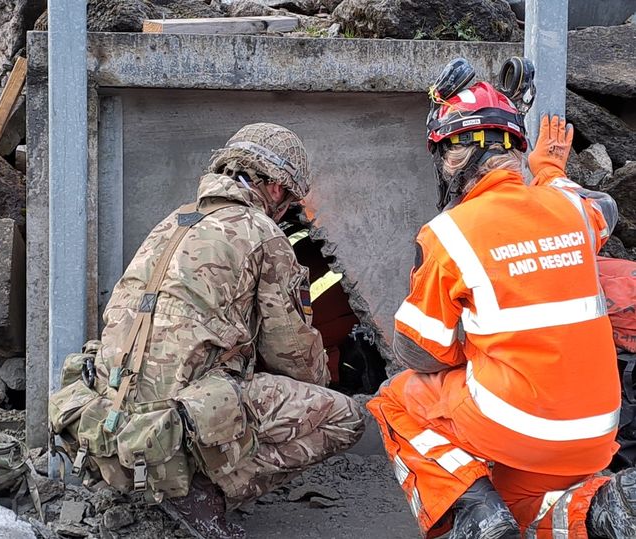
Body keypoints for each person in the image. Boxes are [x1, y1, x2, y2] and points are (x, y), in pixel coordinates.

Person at [366, 73, 635, 538]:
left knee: (396, 398)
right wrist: (549, 170)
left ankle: (473, 513)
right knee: (521, 509)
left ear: (450, 159)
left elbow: (418, 353)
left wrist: (475, 350)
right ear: (516, 152)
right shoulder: (568, 207)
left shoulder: (449, 233)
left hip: (514, 424)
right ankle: (599, 509)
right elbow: (604, 208)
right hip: (595, 432)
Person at [96, 123, 364, 538]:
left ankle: (166, 475)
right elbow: (293, 354)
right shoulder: (262, 232)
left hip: (115, 414)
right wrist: (319, 387)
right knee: (344, 417)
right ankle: (203, 493)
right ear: (275, 188)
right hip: (179, 417)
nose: (286, 210)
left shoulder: (173, 222)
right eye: (289, 200)